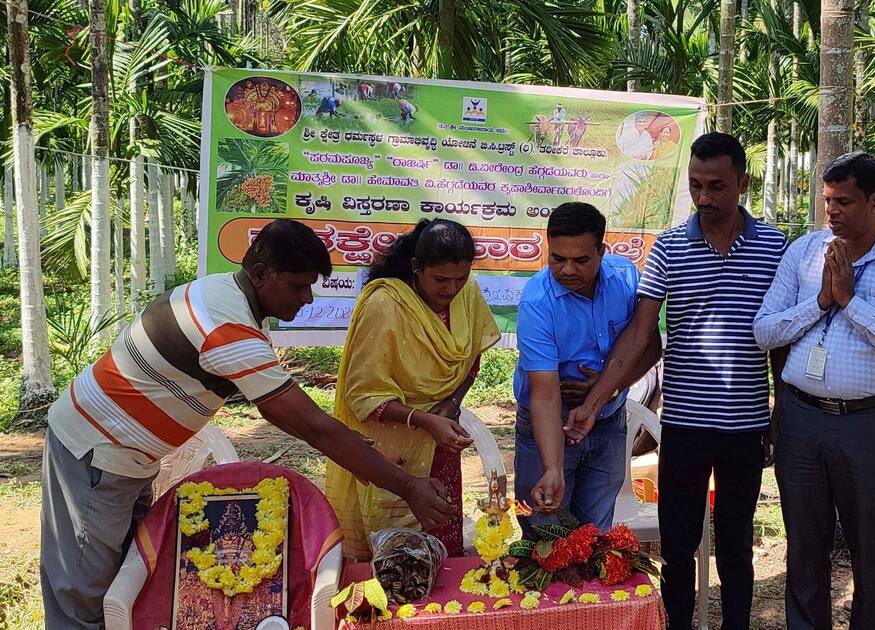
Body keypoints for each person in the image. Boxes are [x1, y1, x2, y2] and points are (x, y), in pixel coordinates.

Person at [39, 219, 454, 629]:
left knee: (125, 591)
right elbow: (309, 425)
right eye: (297, 286)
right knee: (84, 601)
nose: (307, 299)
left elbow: (288, 413)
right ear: (259, 274)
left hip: (125, 459)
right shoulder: (226, 324)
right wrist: (405, 485)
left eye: (311, 286)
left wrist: (346, 441)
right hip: (96, 453)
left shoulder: (232, 300)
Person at [568, 133, 788, 630]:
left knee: (736, 544)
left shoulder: (775, 247)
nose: (705, 197)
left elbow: (782, 340)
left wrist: (780, 415)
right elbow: (642, 334)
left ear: (742, 184)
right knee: (679, 544)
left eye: (717, 186)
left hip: (746, 426)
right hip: (685, 426)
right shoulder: (669, 247)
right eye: (696, 186)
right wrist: (601, 394)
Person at [753, 151, 875, 630]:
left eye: (844, 201)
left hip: (870, 425)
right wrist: (820, 302)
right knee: (804, 549)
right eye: (827, 200)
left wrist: (853, 304)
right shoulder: (804, 252)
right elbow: (764, 331)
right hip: (801, 419)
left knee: (871, 550)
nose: (832, 211)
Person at [325, 219, 498, 560]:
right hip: (387, 448)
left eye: (460, 279)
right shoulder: (384, 304)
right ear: (416, 269)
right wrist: (423, 419)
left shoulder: (468, 292)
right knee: (392, 554)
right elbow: (361, 394)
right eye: (441, 280)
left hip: (440, 438)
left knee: (441, 532)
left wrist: (450, 403)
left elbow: (471, 358)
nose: (451, 290)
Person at [513, 202, 660, 532]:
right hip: (547, 428)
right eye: (557, 258)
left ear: (602, 251)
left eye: (580, 260)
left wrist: (608, 390)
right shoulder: (537, 302)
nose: (567, 270)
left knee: (595, 542)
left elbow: (649, 349)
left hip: (608, 424)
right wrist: (552, 467)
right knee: (545, 541)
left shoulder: (626, 279)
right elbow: (545, 396)